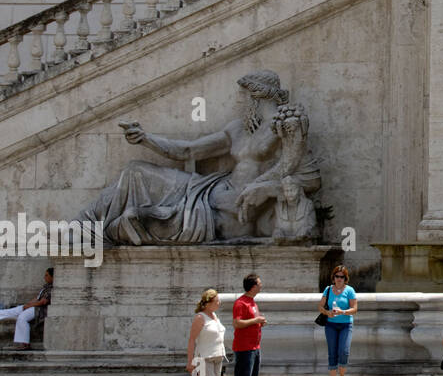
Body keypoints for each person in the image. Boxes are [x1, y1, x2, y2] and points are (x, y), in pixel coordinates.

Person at [76, 71, 321, 245]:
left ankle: (113, 228)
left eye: (242, 95)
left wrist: (267, 189)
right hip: (209, 189)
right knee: (135, 170)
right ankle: (83, 228)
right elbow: (189, 151)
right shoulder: (238, 129)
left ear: (255, 96)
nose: (238, 100)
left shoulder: (287, 127)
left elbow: (310, 180)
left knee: (146, 219)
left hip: (229, 213)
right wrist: (145, 139)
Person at [184, 289, 227, 376]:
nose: (219, 303)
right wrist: (190, 361)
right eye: (216, 301)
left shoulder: (215, 317)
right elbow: (192, 340)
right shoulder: (200, 318)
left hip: (218, 356)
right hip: (204, 357)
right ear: (208, 303)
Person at [231, 273, 267, 376]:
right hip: (243, 345)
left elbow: (251, 321)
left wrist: (259, 323)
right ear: (253, 287)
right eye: (259, 283)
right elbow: (237, 323)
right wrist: (255, 321)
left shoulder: (252, 302)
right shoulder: (241, 303)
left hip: (254, 345)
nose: (261, 286)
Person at [319, 266, 357, 376]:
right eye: (337, 276)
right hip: (331, 324)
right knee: (332, 352)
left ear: (345, 278)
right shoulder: (328, 289)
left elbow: (355, 309)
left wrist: (343, 311)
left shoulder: (350, 290)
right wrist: (327, 312)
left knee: (344, 351)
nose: (339, 279)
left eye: (342, 277)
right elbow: (320, 307)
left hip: (346, 324)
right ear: (333, 277)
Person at [0, 267, 52, 350]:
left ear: (52, 277)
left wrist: (29, 306)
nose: (44, 277)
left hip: (40, 309)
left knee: (22, 317)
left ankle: (25, 344)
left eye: (47, 275)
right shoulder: (46, 287)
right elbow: (37, 298)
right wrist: (28, 304)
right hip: (35, 307)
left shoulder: (52, 288)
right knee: (15, 311)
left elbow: (43, 302)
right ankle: (1, 313)